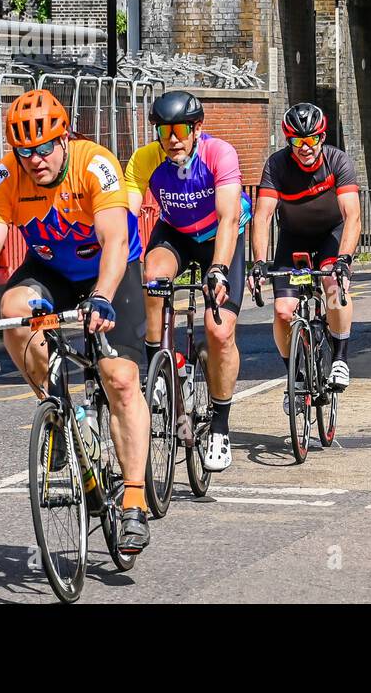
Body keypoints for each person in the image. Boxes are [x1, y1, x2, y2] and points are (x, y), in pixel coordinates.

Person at [0, 89, 151, 553]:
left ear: (64, 139)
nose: (36, 159)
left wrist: (102, 296)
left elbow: (113, 242)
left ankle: (135, 502)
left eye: (45, 147)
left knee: (120, 379)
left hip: (109, 269)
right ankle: (62, 411)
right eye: (25, 151)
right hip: (52, 270)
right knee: (12, 310)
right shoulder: (4, 177)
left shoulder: (95, 164)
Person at [125, 90, 251, 472]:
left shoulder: (219, 154)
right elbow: (127, 218)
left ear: (197, 128)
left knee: (220, 330)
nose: (172, 139)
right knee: (151, 276)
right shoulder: (145, 160)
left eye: (180, 129)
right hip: (176, 233)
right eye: (164, 132)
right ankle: (157, 369)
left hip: (220, 236)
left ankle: (220, 427)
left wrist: (218, 269)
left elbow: (228, 218)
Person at [249, 103, 362, 415]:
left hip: (331, 235)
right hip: (293, 238)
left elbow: (352, 216)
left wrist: (344, 259)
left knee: (333, 285)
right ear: (289, 141)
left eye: (312, 139)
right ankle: (295, 377)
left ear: (321, 137)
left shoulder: (338, 161)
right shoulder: (277, 165)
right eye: (298, 141)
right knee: (284, 311)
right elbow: (262, 217)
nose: (306, 147)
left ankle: (340, 358)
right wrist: (259, 262)